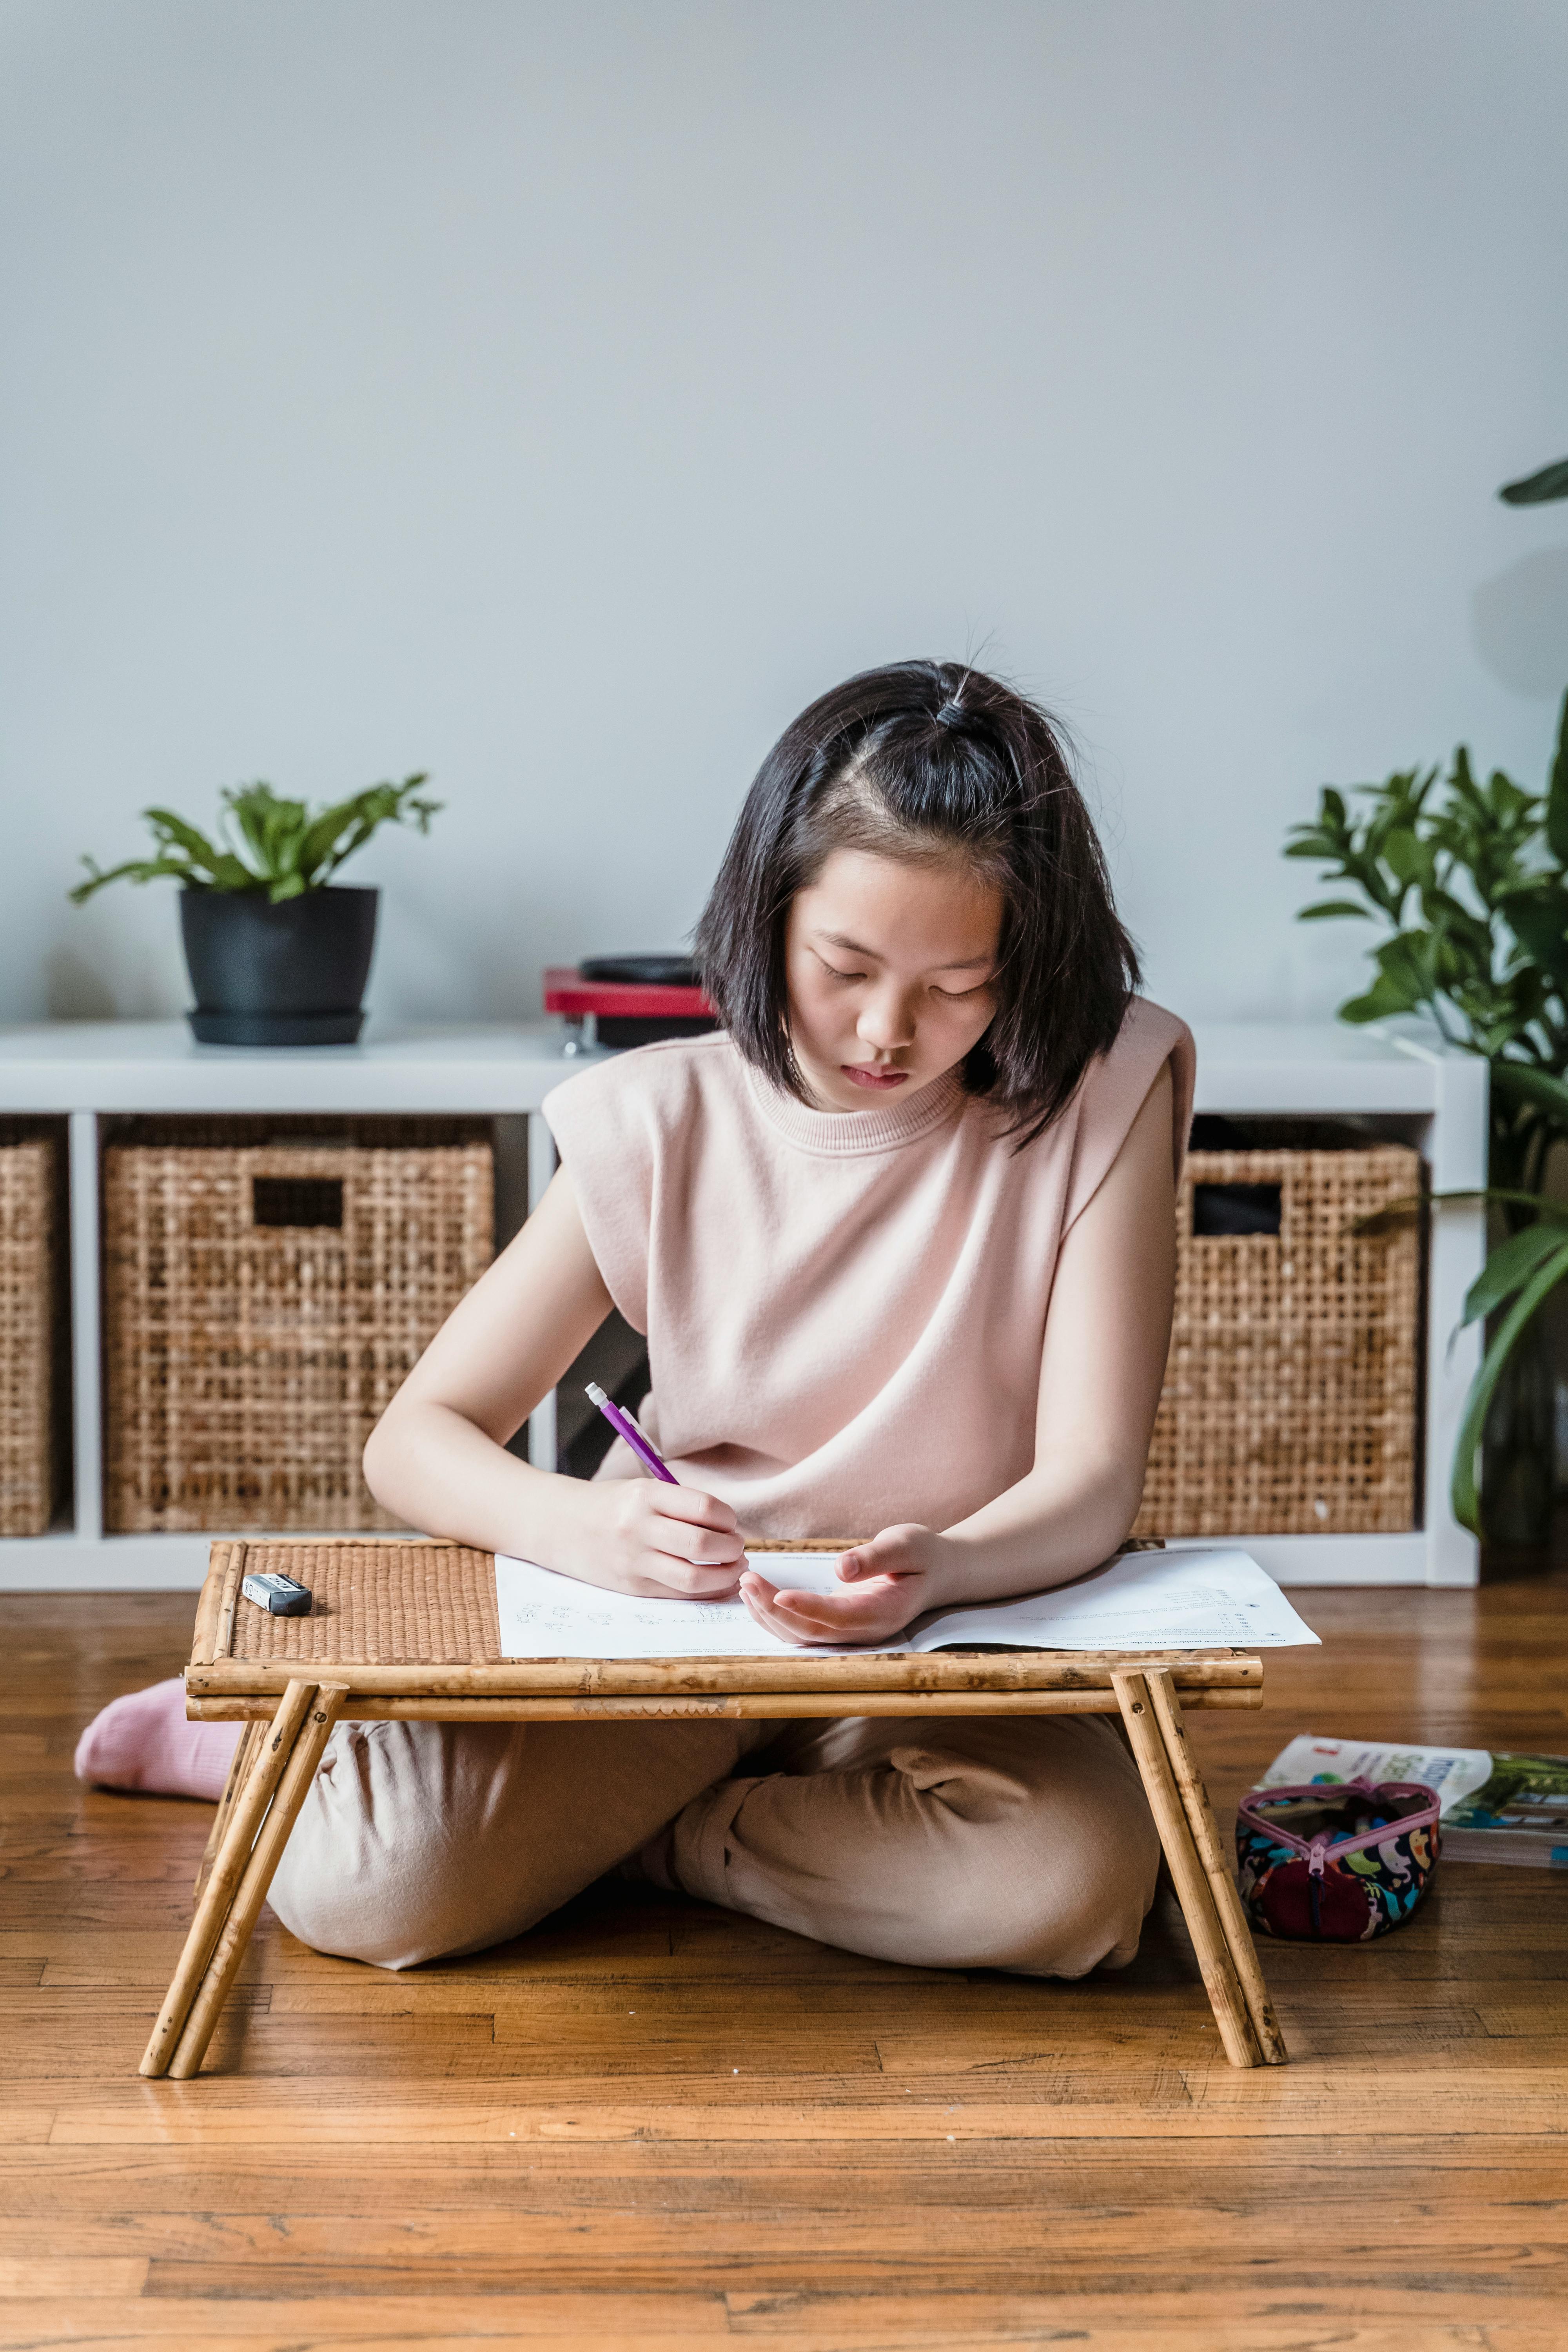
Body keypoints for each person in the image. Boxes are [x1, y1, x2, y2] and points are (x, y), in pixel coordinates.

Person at [79, 658, 1191, 1982]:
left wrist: (944, 1567)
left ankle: (652, 1843)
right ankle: (293, 1759)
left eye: (960, 985)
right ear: (767, 911)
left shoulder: (1105, 1093)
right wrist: (586, 1529)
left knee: (1076, 1891)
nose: (888, 1031)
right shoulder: (664, 1115)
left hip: (951, 1644)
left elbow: (1087, 1483)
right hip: (680, 1634)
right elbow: (415, 1440)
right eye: (844, 965)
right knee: (368, 1893)